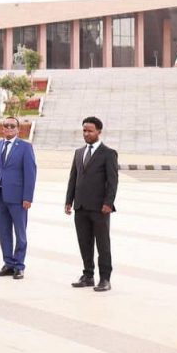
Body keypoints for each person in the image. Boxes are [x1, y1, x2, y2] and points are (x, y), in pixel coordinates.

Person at [64, 116, 118, 292]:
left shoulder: (108, 153)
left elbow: (112, 181)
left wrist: (108, 203)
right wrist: (68, 201)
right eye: (84, 131)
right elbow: (73, 178)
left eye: (90, 131)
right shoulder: (79, 153)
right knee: (84, 243)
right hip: (80, 207)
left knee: (103, 245)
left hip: (100, 208)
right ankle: (88, 275)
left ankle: (105, 279)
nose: (86, 134)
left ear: (99, 132)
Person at [0, 116, 37, 279]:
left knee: (20, 233)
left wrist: (28, 197)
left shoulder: (25, 148)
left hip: (18, 198)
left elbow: (31, 174)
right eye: (5, 125)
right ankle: (8, 264)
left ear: (18, 129)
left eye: (12, 126)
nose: (8, 128)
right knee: (4, 232)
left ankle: (19, 265)